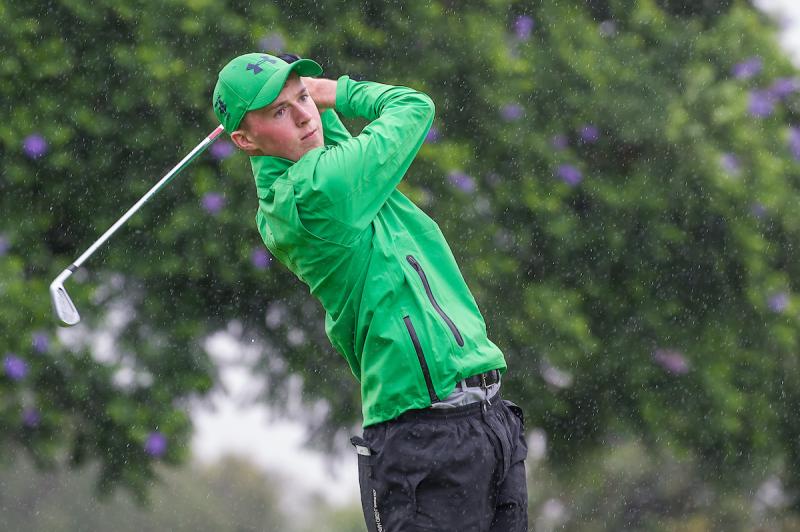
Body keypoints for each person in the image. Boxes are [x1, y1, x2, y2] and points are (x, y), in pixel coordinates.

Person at [212, 52, 528, 531]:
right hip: (426, 435)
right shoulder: (315, 194)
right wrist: (335, 91)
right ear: (244, 139)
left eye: (302, 97)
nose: (303, 114)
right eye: (279, 111)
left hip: (489, 418)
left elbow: (319, 134)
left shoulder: (321, 164)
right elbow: (413, 107)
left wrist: (308, 104)